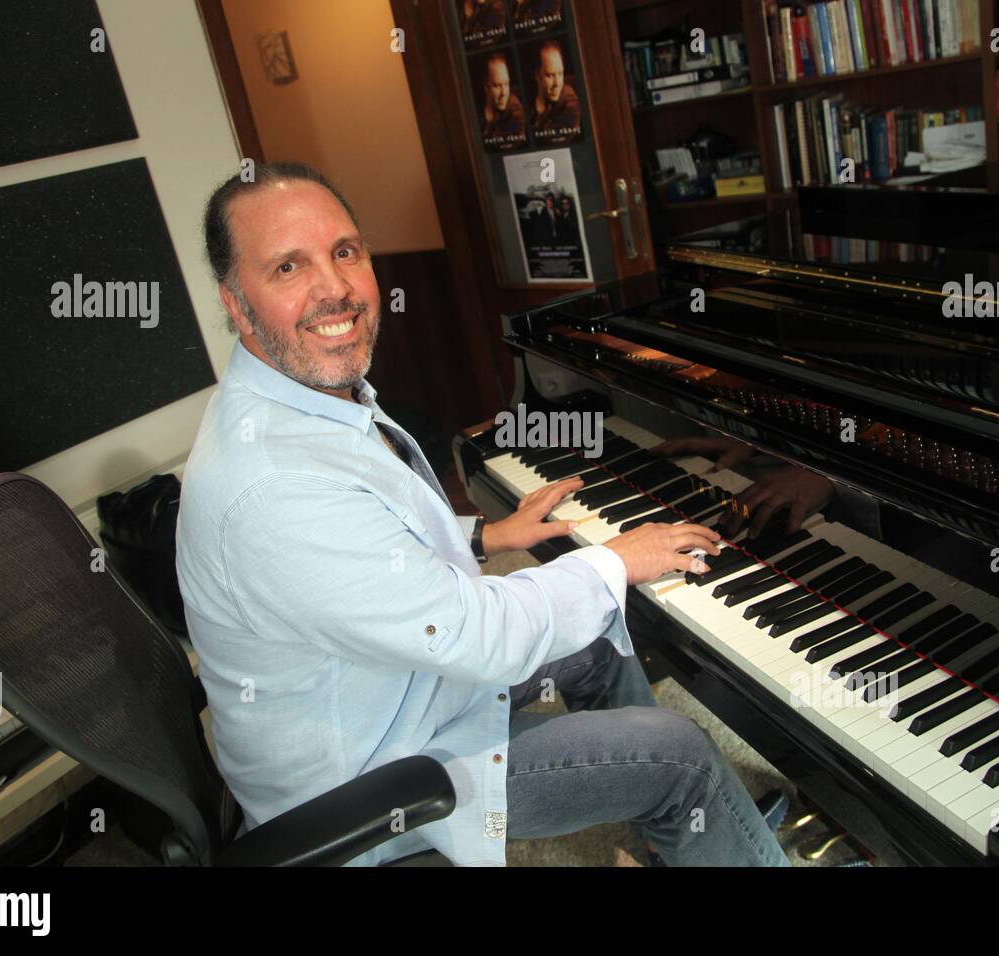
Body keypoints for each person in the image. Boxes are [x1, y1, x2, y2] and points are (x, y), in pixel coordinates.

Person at [177, 162, 790, 867]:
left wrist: (484, 535)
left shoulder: (299, 401)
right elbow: (476, 636)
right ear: (235, 301)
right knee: (681, 753)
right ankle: (688, 806)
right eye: (288, 266)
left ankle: (685, 838)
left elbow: (370, 550)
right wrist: (614, 560)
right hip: (377, 776)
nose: (335, 288)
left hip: (397, 692)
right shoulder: (274, 483)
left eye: (345, 252)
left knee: (593, 641)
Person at [531, 40, 580, 141]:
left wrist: (541, 115)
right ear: (537, 76)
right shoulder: (529, 101)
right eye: (550, 75)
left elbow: (551, 140)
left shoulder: (570, 100)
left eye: (560, 73)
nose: (557, 83)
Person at [481, 52, 524, 146]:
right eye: (497, 86)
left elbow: (509, 144)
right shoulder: (476, 109)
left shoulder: (515, 108)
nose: (504, 93)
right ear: (486, 87)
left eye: (506, 84)